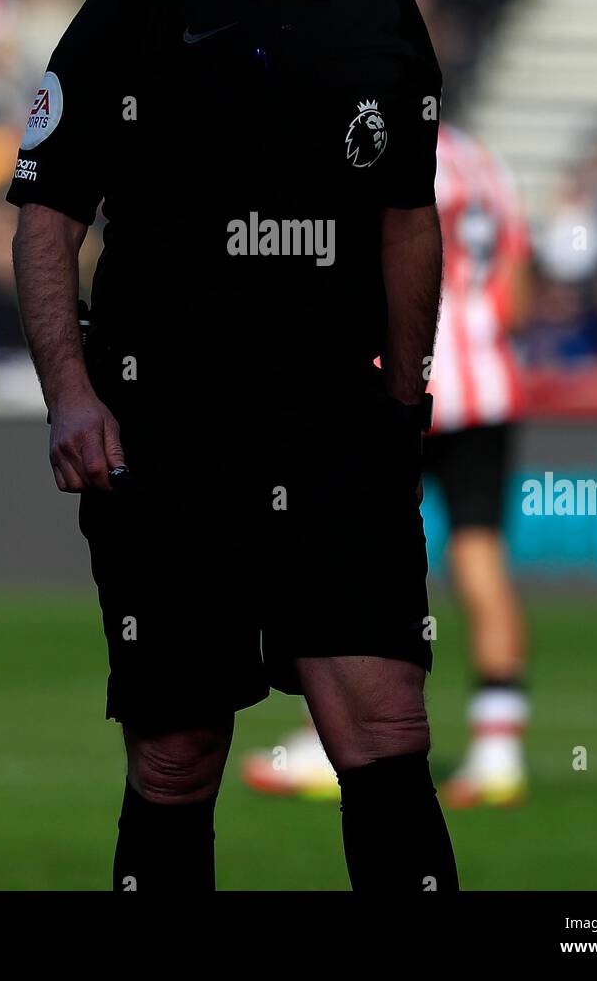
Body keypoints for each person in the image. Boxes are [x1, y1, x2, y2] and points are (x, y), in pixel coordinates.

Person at [5, 0, 458, 892]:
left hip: (337, 431)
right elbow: (46, 214)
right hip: (168, 438)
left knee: (386, 732)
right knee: (176, 753)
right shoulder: (131, 8)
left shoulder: (380, 13)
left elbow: (409, 218)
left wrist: (404, 389)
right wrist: (70, 394)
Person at [242, 123, 532, 808]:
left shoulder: (367, 149)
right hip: (487, 380)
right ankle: (498, 750)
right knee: (480, 554)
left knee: (353, 562)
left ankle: (337, 736)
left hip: (397, 379)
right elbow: (514, 289)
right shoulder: (485, 160)